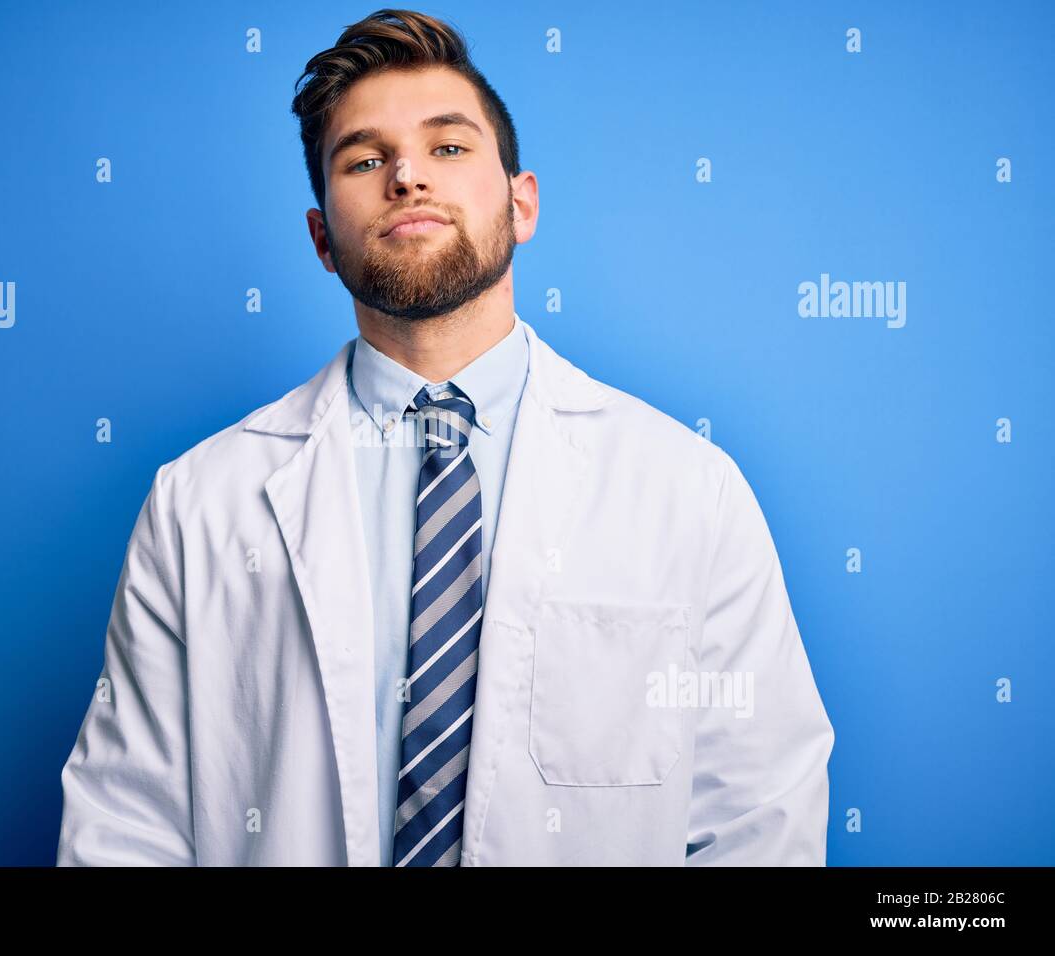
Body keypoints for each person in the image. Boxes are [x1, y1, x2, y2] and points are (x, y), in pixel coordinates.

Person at [56, 8, 834, 867]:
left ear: (521, 201)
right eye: (363, 159)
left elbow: (760, 822)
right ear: (321, 238)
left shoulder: (688, 489)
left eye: (449, 147)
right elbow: (126, 827)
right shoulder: (199, 503)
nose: (406, 177)